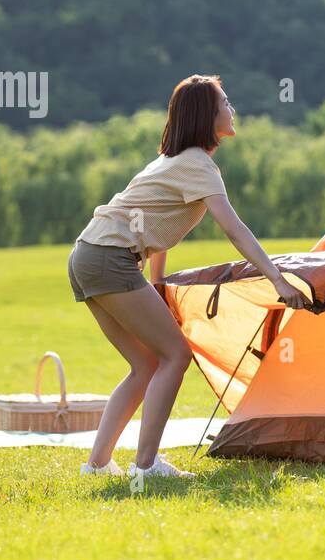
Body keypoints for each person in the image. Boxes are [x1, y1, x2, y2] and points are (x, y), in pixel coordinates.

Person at [67, 74, 310, 479]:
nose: (232, 109)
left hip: (89, 255)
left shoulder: (172, 162)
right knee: (175, 356)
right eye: (225, 102)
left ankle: (97, 464)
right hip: (109, 258)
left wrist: (158, 287)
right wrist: (278, 280)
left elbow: (156, 230)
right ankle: (145, 467)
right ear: (206, 114)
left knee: (146, 364)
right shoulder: (199, 165)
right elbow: (235, 230)